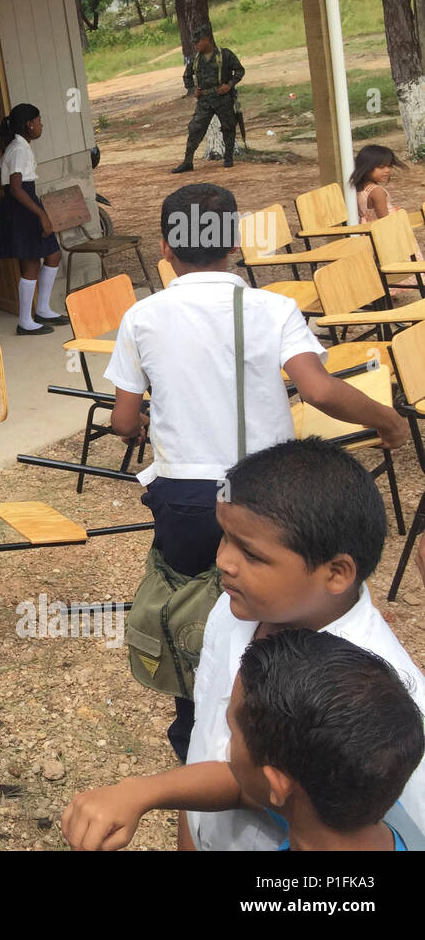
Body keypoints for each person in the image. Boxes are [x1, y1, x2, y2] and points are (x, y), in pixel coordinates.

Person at [106, 184, 408, 762]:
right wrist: (388, 422)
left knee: (201, 620)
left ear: (168, 248)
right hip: (269, 497)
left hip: (187, 498)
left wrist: (148, 416)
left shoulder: (142, 316)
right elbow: (317, 389)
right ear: (234, 241)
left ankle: (201, 737)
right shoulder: (272, 310)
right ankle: (289, 739)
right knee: (282, 616)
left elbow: (123, 421)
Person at [63, 440, 425, 850]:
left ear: (336, 572)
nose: (223, 562)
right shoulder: (234, 607)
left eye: (251, 553)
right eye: (226, 537)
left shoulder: (382, 702)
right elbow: (209, 740)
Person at [63, 629, 423, 851]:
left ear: (277, 783)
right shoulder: (359, 800)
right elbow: (241, 787)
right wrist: (138, 791)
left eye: (232, 731)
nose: (226, 741)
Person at [0, 102, 65, 335]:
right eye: (38, 121)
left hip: (24, 203)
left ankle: (42, 309)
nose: (41, 125)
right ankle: (25, 322)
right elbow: (16, 188)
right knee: (31, 262)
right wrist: (41, 213)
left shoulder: (17, 146)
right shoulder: (19, 149)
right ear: (29, 124)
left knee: (53, 253)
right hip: (22, 208)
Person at [172, 26, 245, 174]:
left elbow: (239, 70)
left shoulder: (225, 54)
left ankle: (228, 158)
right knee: (195, 129)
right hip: (204, 101)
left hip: (222, 98)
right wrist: (193, 90)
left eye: (198, 42)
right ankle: (188, 162)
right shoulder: (195, 59)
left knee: (228, 127)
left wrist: (229, 85)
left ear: (206, 40)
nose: (196, 45)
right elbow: (187, 76)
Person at [350, 144, 407, 224]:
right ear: (367, 168)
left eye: (389, 166)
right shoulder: (377, 191)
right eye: (381, 167)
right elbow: (385, 220)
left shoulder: (359, 188)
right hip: (383, 233)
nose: (387, 170)